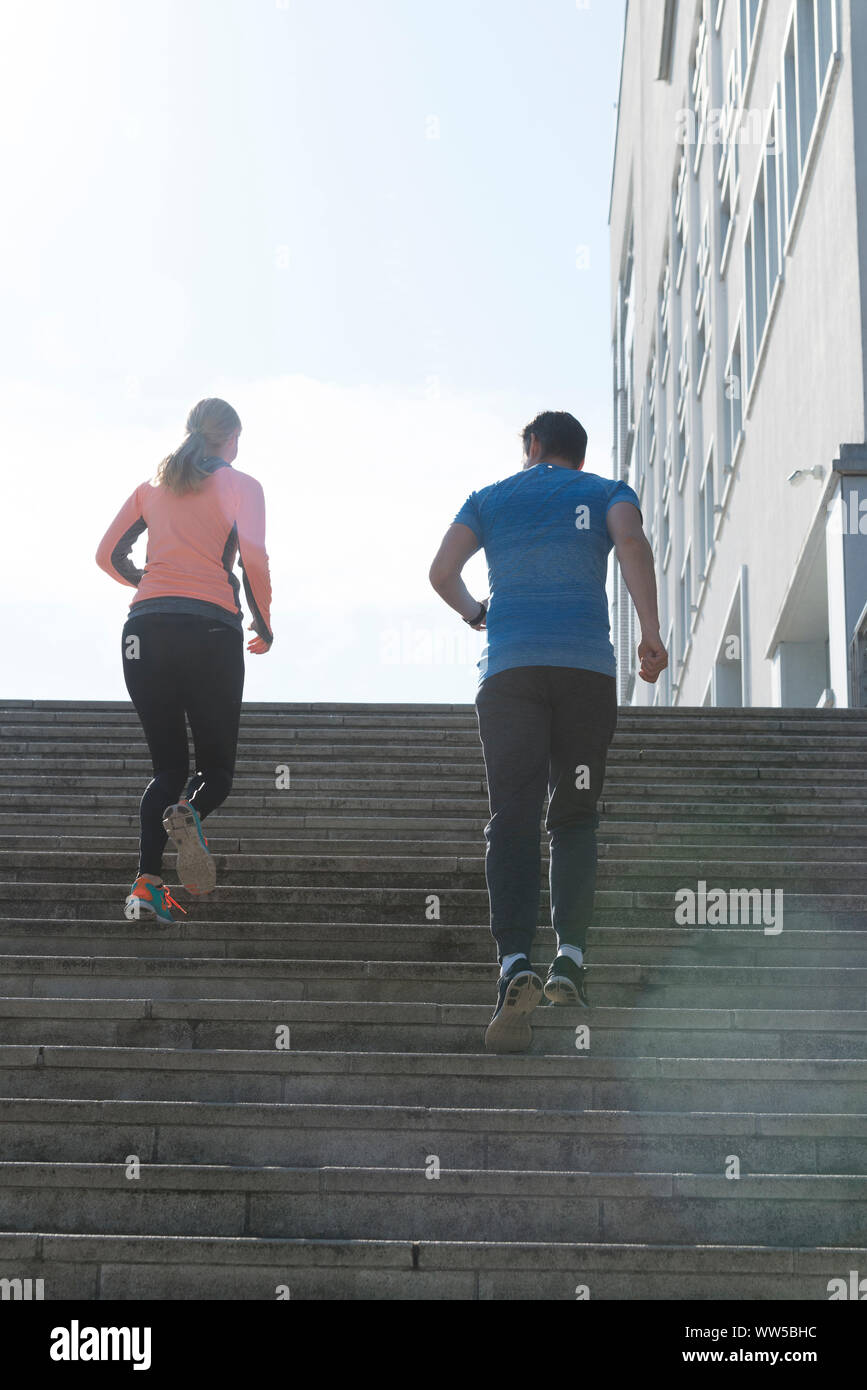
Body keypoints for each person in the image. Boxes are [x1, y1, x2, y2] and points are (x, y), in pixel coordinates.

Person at [429, 410, 667, 1053]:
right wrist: (649, 631)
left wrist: (479, 613)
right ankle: (569, 960)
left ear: (532, 447)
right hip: (585, 675)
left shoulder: (489, 498)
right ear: (579, 456)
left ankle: (513, 964)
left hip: (510, 675)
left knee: (512, 812)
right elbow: (633, 546)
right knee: (575, 813)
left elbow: (440, 572)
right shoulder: (604, 492)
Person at [96, 397, 273, 924]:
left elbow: (106, 555)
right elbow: (254, 559)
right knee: (214, 771)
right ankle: (190, 814)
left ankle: (147, 884)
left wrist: (150, 587)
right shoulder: (244, 486)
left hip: (143, 632)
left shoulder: (150, 489)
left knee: (167, 767)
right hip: (210, 629)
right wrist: (263, 624)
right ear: (233, 438)